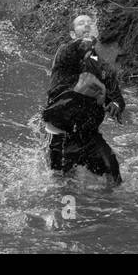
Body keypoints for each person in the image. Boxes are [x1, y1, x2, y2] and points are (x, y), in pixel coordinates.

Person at [43, 15, 125, 184]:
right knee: (59, 184)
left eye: (90, 22)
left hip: (88, 135)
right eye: (81, 23)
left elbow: (117, 97)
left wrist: (116, 105)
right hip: (60, 133)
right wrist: (84, 43)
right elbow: (76, 48)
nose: (87, 24)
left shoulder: (103, 67)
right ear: (73, 34)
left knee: (114, 177)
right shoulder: (65, 53)